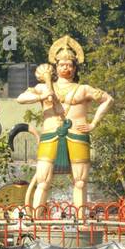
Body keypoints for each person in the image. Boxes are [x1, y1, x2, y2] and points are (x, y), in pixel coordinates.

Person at [17, 37, 113, 215]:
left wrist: (93, 124)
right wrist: (42, 97)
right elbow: (20, 98)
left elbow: (108, 99)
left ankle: (80, 220)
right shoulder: (44, 87)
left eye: (69, 65)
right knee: (43, 180)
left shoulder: (83, 88)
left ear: (75, 68)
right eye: (62, 64)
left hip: (78, 135)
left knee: (80, 181)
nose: (66, 68)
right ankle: (36, 221)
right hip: (50, 135)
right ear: (56, 67)